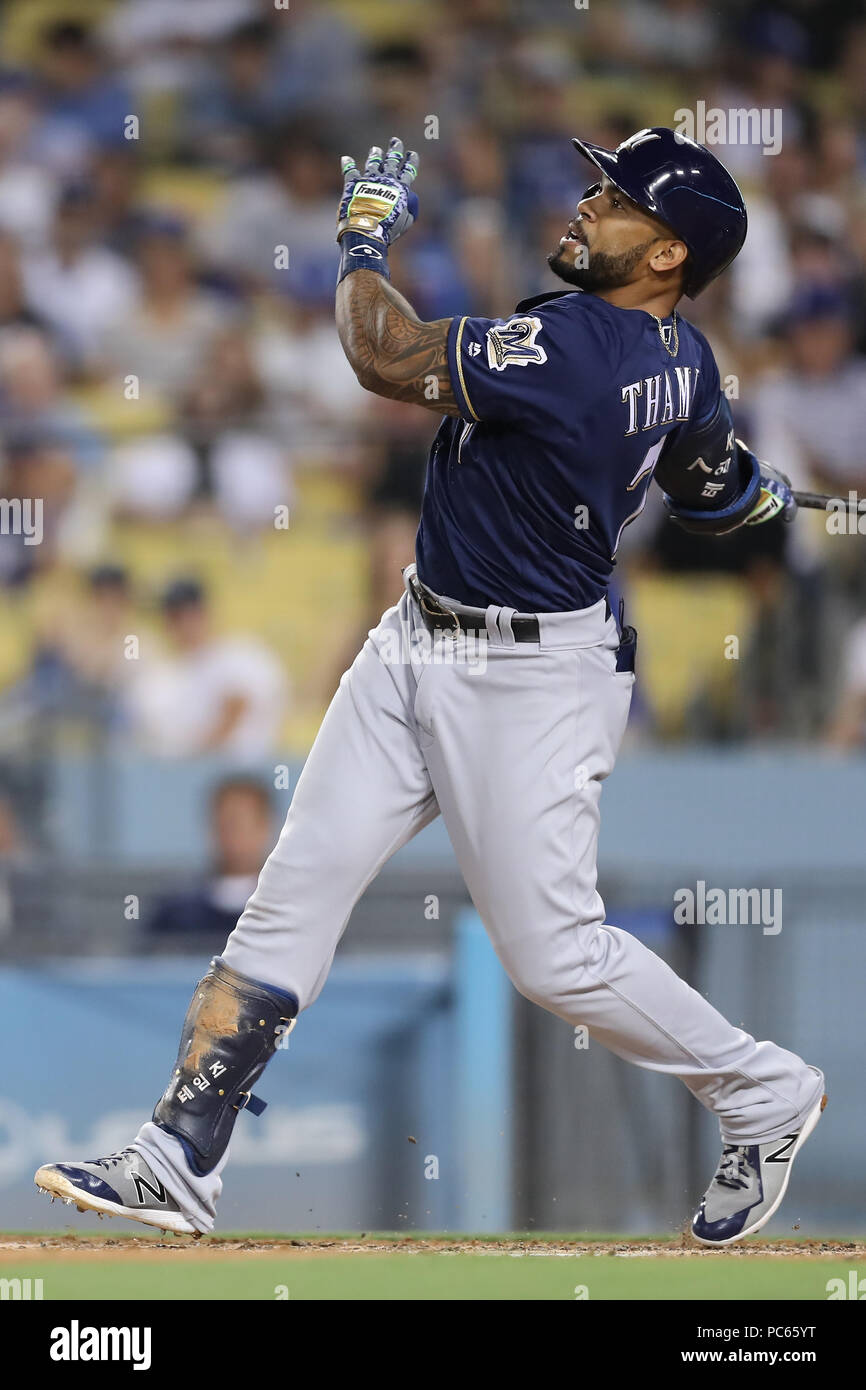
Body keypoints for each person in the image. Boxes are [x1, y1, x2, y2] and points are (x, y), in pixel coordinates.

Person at [36, 129, 825, 1246]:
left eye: (615, 199)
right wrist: (747, 492)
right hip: (417, 635)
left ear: (665, 255)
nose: (586, 203)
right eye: (598, 186)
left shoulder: (584, 350)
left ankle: (759, 1088)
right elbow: (704, 482)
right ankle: (177, 1152)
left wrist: (361, 240)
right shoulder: (683, 358)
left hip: (529, 678)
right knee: (295, 886)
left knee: (553, 953)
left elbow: (381, 355)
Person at [145, 777, 276, 946]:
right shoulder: (175, 911)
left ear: (266, 827)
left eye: (242, 824)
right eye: (225, 825)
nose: (234, 836)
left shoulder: (285, 909)